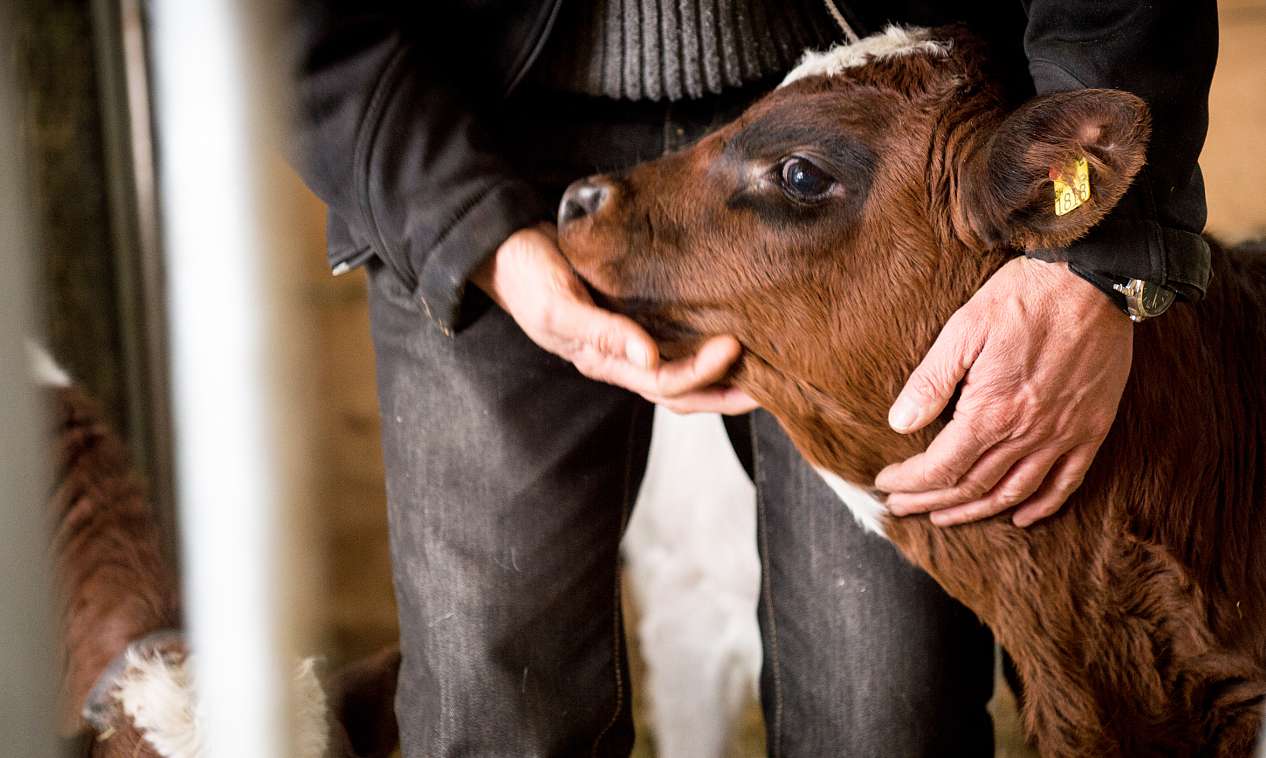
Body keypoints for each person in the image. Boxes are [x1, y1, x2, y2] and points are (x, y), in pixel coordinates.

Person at [286, 1, 1216, 755]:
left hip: (873, 124)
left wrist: (1102, 254)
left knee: (883, 712)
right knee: (493, 700)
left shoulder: (927, 156)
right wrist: (453, 221)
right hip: (463, 120)